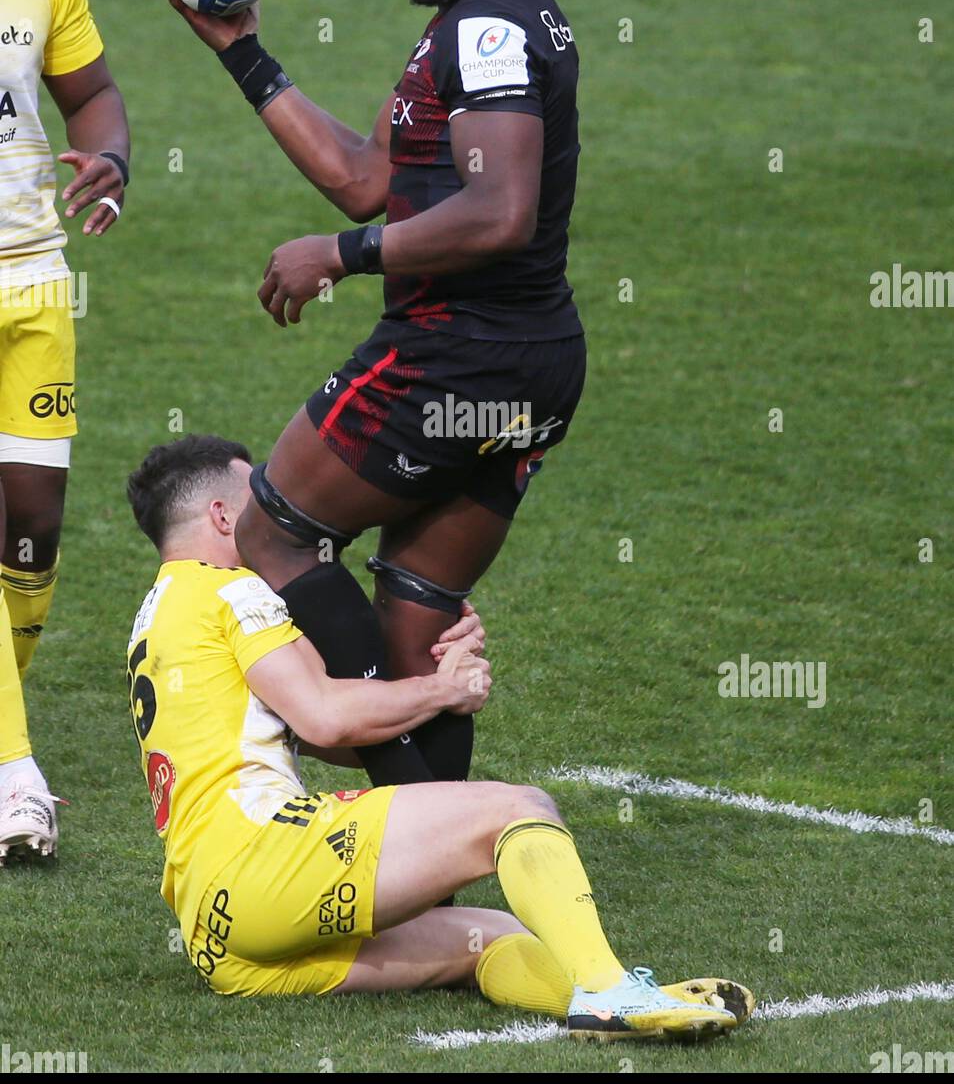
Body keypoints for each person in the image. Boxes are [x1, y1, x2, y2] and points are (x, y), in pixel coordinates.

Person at [155, 0, 586, 791]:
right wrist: (240, 50)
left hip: (453, 352)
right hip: (533, 365)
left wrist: (340, 256)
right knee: (416, 623)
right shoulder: (485, 19)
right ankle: (445, 858)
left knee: (268, 531)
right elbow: (366, 174)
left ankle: (377, 778)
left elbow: (498, 210)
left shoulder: (485, 33)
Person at [124, 435, 754, 1040]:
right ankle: (611, 993)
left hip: (219, 928)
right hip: (264, 861)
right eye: (258, 494)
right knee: (518, 808)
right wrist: (444, 691)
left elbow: (328, 736)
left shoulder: (159, 617)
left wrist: (427, 676)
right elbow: (326, 717)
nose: (275, 506)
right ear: (223, 515)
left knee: (486, 935)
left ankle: (627, 1000)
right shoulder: (229, 590)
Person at [0, 0, 130, 864]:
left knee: (31, 531)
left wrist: (112, 158)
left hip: (35, 281)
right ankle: (15, 781)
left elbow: (93, 93)